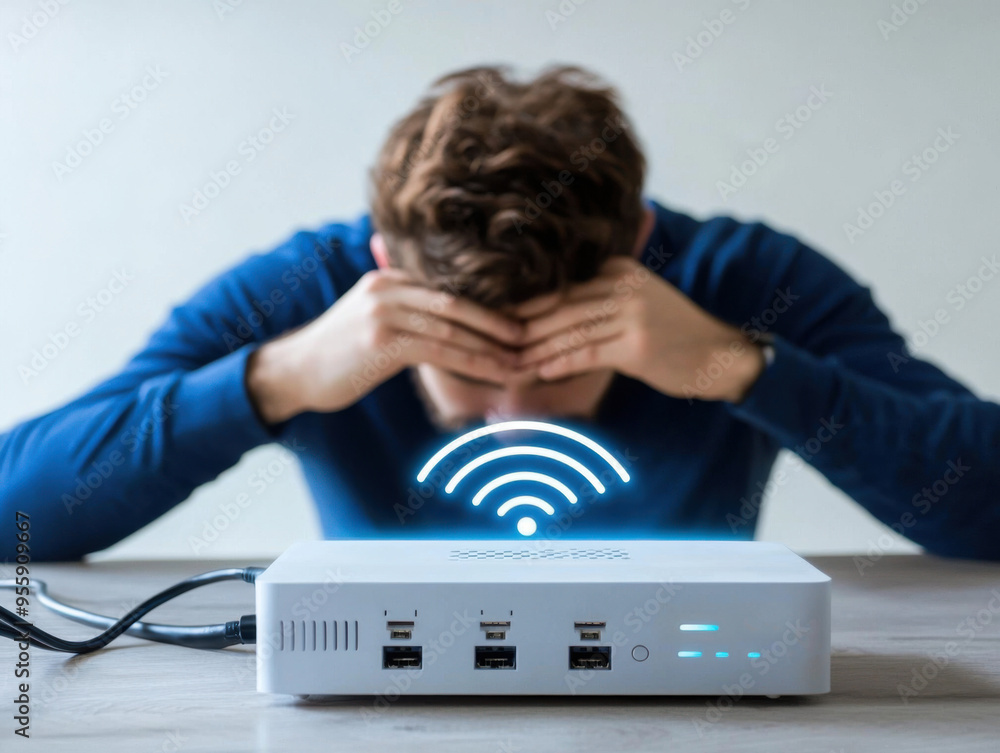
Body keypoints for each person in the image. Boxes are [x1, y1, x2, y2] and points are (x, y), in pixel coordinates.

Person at [2, 64, 998, 562]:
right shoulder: (306, 295)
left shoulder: (747, 280)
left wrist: (746, 370)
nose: (514, 420)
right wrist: (276, 380)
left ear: (640, 252)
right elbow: (17, 511)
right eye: (470, 361)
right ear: (386, 266)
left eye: (565, 355)